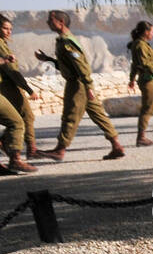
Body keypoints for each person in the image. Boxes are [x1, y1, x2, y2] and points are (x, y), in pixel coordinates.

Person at [33, 9, 124, 161]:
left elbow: (81, 65)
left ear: (61, 22)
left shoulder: (67, 41)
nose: (48, 23)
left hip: (77, 85)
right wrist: (47, 59)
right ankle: (117, 145)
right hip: (82, 83)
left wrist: (88, 86)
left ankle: (60, 150)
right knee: (99, 115)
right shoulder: (64, 40)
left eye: (51, 20)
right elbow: (67, 65)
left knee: (70, 116)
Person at [0, 14, 39, 167]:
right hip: (8, 86)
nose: (9, 32)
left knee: (18, 119)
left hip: (8, 85)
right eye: (5, 28)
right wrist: (29, 90)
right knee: (23, 118)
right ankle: (25, 151)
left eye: (10, 29)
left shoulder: (4, 43)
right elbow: (11, 71)